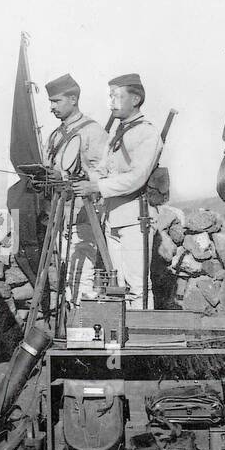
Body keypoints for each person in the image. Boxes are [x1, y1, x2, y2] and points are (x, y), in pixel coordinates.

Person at [72, 74, 162, 309]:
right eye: (110, 96)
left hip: (136, 219)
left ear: (136, 98)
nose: (111, 102)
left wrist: (97, 186)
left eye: (116, 96)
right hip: (113, 219)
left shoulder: (147, 133)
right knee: (119, 287)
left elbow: (136, 178)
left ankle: (142, 340)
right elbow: (103, 171)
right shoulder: (116, 134)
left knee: (138, 288)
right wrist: (82, 170)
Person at [44, 73, 110, 305]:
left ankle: (83, 333)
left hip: (84, 217)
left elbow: (105, 174)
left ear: (73, 99)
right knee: (69, 280)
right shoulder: (54, 135)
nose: (51, 107)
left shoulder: (93, 132)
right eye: (50, 101)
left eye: (56, 101)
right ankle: (74, 331)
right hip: (60, 216)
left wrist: (69, 178)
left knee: (81, 279)